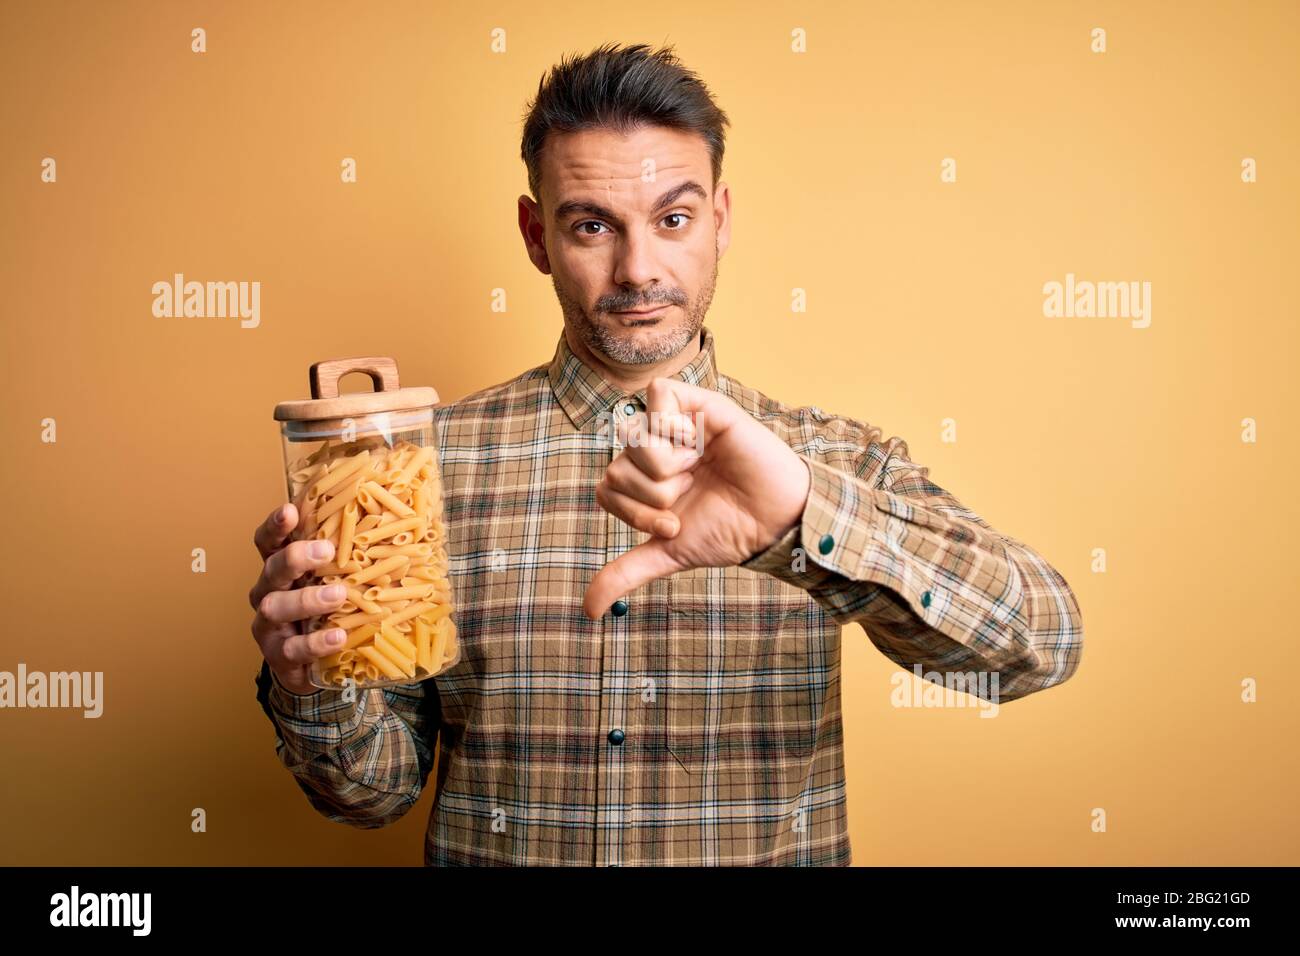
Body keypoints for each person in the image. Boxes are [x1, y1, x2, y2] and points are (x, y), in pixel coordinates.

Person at [248, 42, 1084, 866]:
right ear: (537, 236)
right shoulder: (419, 467)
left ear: (719, 221)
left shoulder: (828, 458)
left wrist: (803, 520)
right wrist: (309, 683)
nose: (639, 269)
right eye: (591, 226)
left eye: (673, 220)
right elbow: (371, 796)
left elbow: (1039, 648)